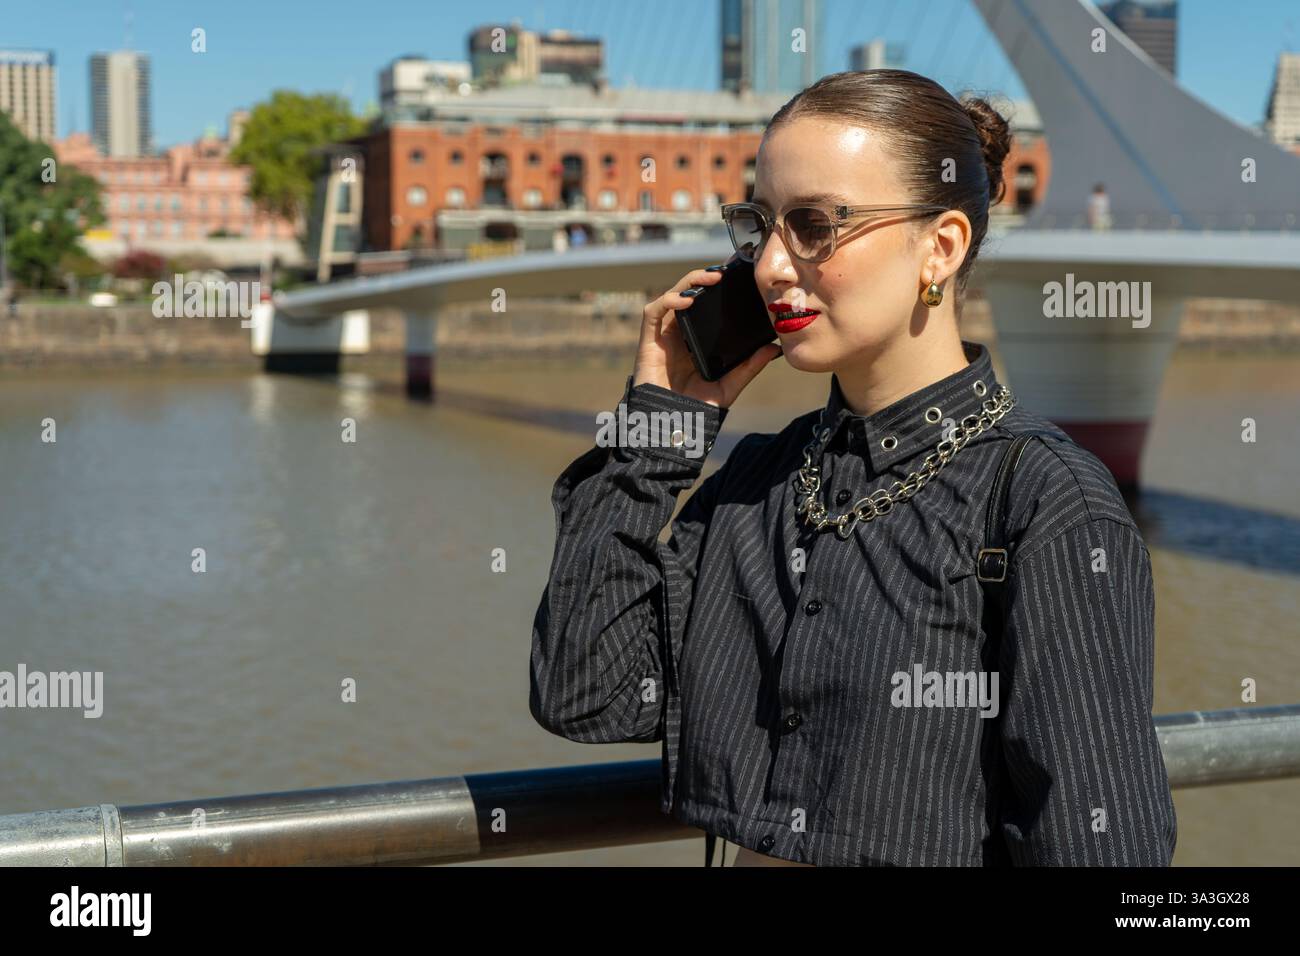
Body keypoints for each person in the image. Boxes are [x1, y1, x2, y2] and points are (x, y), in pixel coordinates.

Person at [529, 69, 1177, 867]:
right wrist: (656, 433)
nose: (768, 266)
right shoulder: (754, 486)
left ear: (939, 247)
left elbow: (1098, 847)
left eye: (814, 225)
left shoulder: (1043, 504)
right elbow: (586, 695)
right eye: (759, 225)